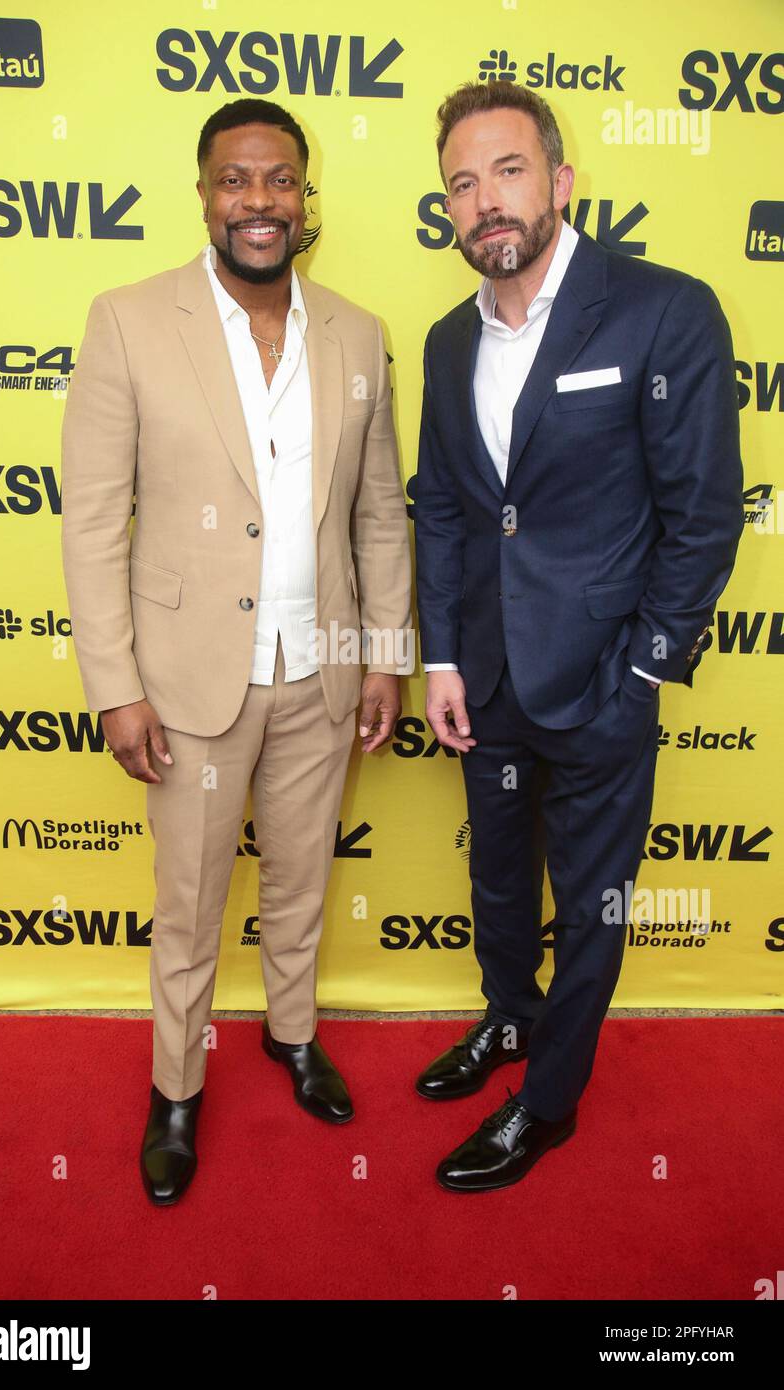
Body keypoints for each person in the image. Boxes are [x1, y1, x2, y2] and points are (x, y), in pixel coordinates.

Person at [61, 98, 412, 1206]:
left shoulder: (357, 332)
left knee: (302, 877)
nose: (258, 202)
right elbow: (89, 520)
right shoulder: (125, 319)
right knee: (189, 898)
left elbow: (380, 515)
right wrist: (115, 686)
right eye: (234, 180)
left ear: (306, 199)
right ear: (204, 192)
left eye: (278, 181)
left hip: (322, 669)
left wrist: (386, 657)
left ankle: (293, 1036)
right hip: (189, 679)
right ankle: (175, 1088)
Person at [412, 79, 743, 1192]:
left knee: (587, 903)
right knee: (501, 884)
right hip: (489, 681)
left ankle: (545, 1101)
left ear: (558, 181)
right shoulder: (446, 340)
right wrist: (444, 657)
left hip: (604, 682)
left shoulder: (664, 309)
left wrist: (644, 666)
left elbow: (699, 515)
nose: (483, 201)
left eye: (505, 172)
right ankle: (508, 1022)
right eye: (461, 183)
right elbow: (449, 508)